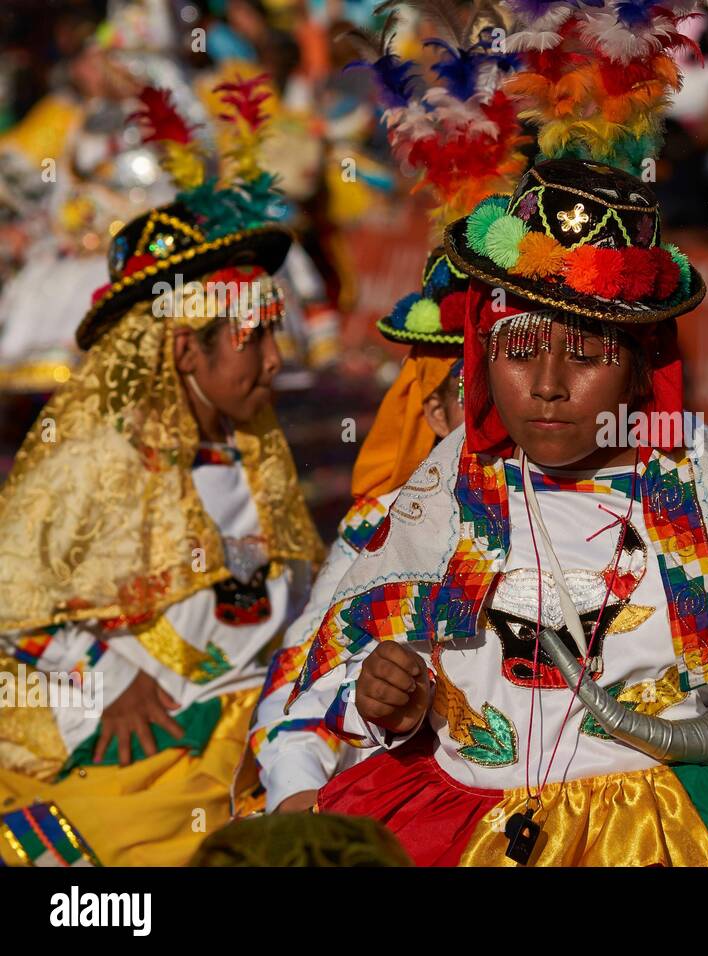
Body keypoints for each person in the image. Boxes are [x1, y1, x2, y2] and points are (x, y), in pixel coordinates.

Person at [294, 1, 708, 868]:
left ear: (641, 366)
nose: (547, 387)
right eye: (517, 351)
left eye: (587, 355)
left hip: (667, 837)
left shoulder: (706, 490)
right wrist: (382, 702)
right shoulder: (443, 493)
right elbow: (319, 696)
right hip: (464, 830)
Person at [0, 79, 324, 866]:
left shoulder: (257, 459)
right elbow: (11, 621)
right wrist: (103, 683)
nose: (277, 362)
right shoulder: (86, 470)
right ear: (184, 349)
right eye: (254, 338)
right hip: (132, 764)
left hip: (258, 741)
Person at [248, 7, 525, 814]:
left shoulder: (656, 494)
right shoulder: (386, 530)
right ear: (436, 409)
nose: (538, 392)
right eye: (491, 377)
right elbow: (301, 706)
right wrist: (365, 722)